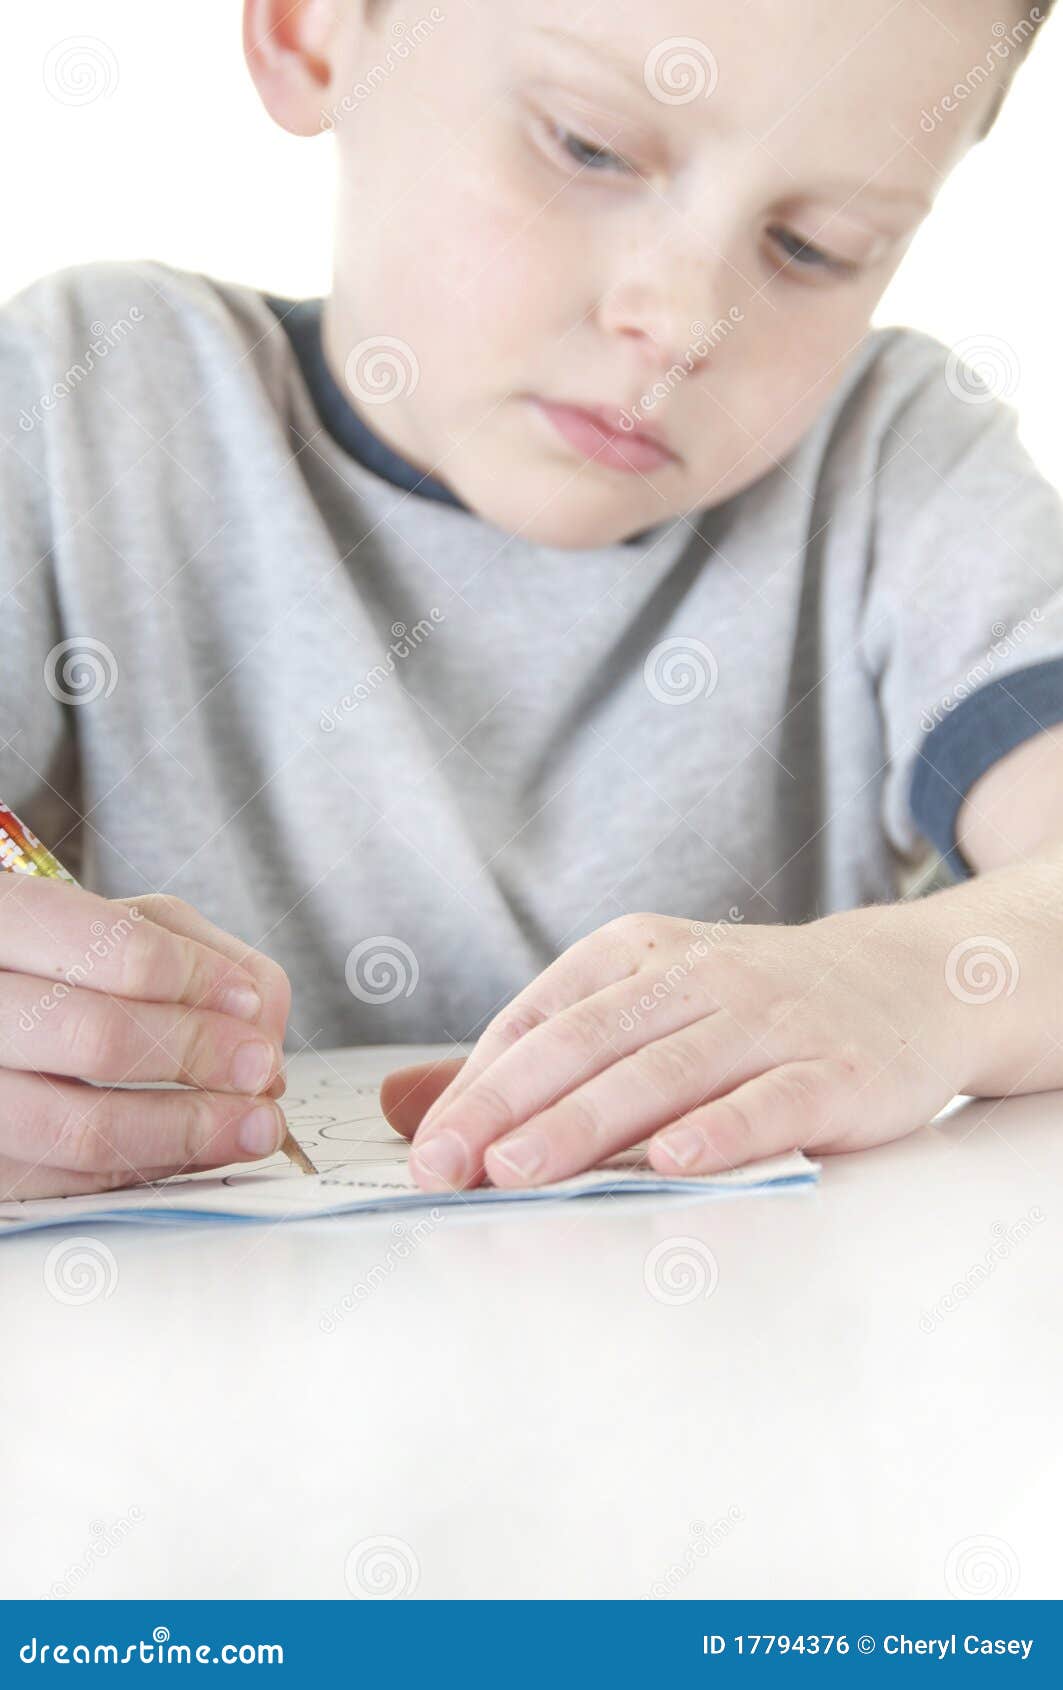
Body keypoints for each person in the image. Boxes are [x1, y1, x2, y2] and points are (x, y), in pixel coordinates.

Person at [1, 0, 1060, 1200]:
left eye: (813, 245)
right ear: (309, 32)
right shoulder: (82, 404)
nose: (675, 324)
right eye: (589, 148)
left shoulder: (890, 465)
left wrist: (912, 983)